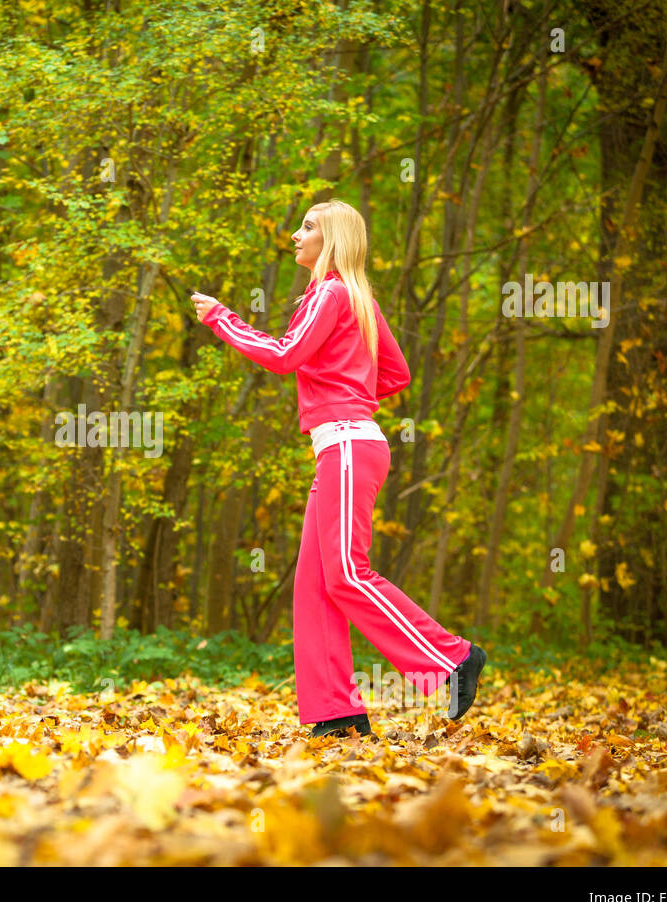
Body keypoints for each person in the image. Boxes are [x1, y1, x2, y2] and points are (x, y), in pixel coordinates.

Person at [190, 199, 486, 740]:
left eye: (308, 228)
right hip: (342, 447)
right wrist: (347, 378)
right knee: (314, 585)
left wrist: (221, 318)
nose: (296, 235)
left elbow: (284, 355)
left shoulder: (330, 293)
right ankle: (335, 713)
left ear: (334, 240)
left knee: (346, 572)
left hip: (349, 445)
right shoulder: (352, 296)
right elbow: (395, 373)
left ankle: (452, 660)